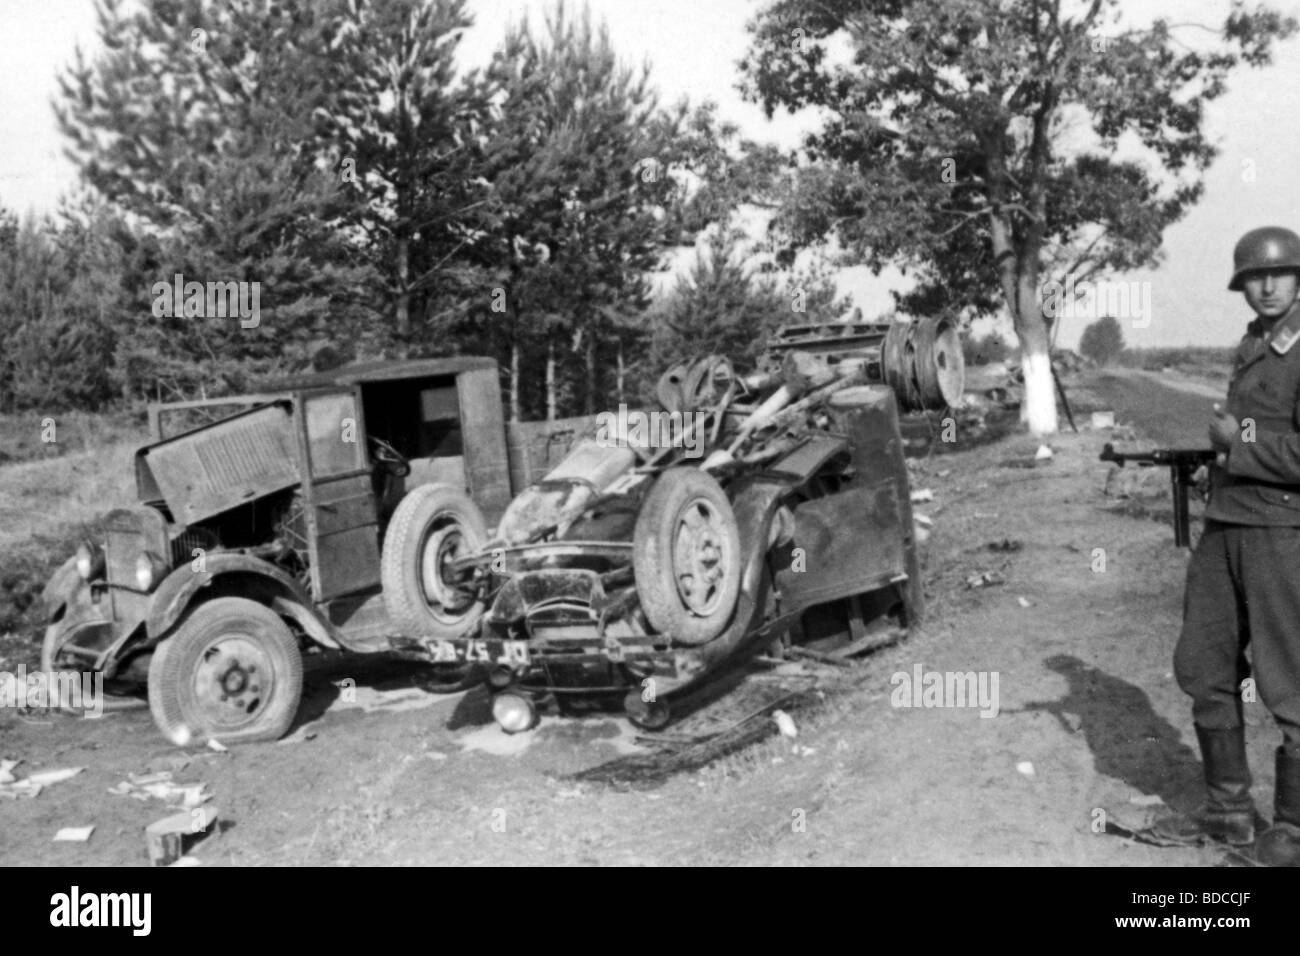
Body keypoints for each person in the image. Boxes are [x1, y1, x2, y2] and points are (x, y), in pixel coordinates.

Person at [1159, 226, 1300, 866]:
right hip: (1228, 519)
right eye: (1254, 278)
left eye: (1278, 275)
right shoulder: (1254, 344)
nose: (1266, 286)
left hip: (1280, 528)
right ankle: (1228, 813)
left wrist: (1233, 446)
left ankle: (1292, 833)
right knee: (1203, 664)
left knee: (1289, 678)